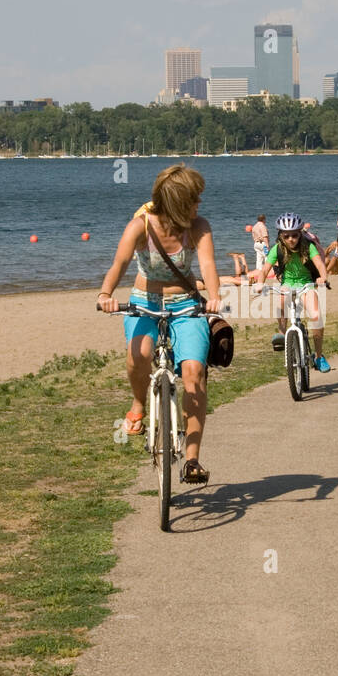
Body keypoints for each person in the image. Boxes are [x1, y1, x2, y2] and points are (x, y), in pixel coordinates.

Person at [96, 164, 222, 484]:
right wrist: (105, 293)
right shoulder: (140, 227)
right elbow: (119, 263)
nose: (200, 204)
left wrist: (216, 295)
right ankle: (139, 402)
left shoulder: (198, 227)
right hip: (144, 302)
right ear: (179, 201)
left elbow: (207, 265)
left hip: (186, 305)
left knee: (194, 372)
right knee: (139, 354)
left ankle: (192, 460)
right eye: (194, 199)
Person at [248, 212, 333, 372]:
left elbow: (320, 264)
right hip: (287, 284)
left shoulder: (309, 246)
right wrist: (259, 283)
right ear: (280, 235)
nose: (291, 240)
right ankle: (282, 334)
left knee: (316, 316)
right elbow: (265, 269)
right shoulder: (277, 249)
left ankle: (319, 357)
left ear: (300, 233)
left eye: (294, 235)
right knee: (281, 300)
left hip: (306, 284)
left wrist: (323, 277)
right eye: (286, 236)